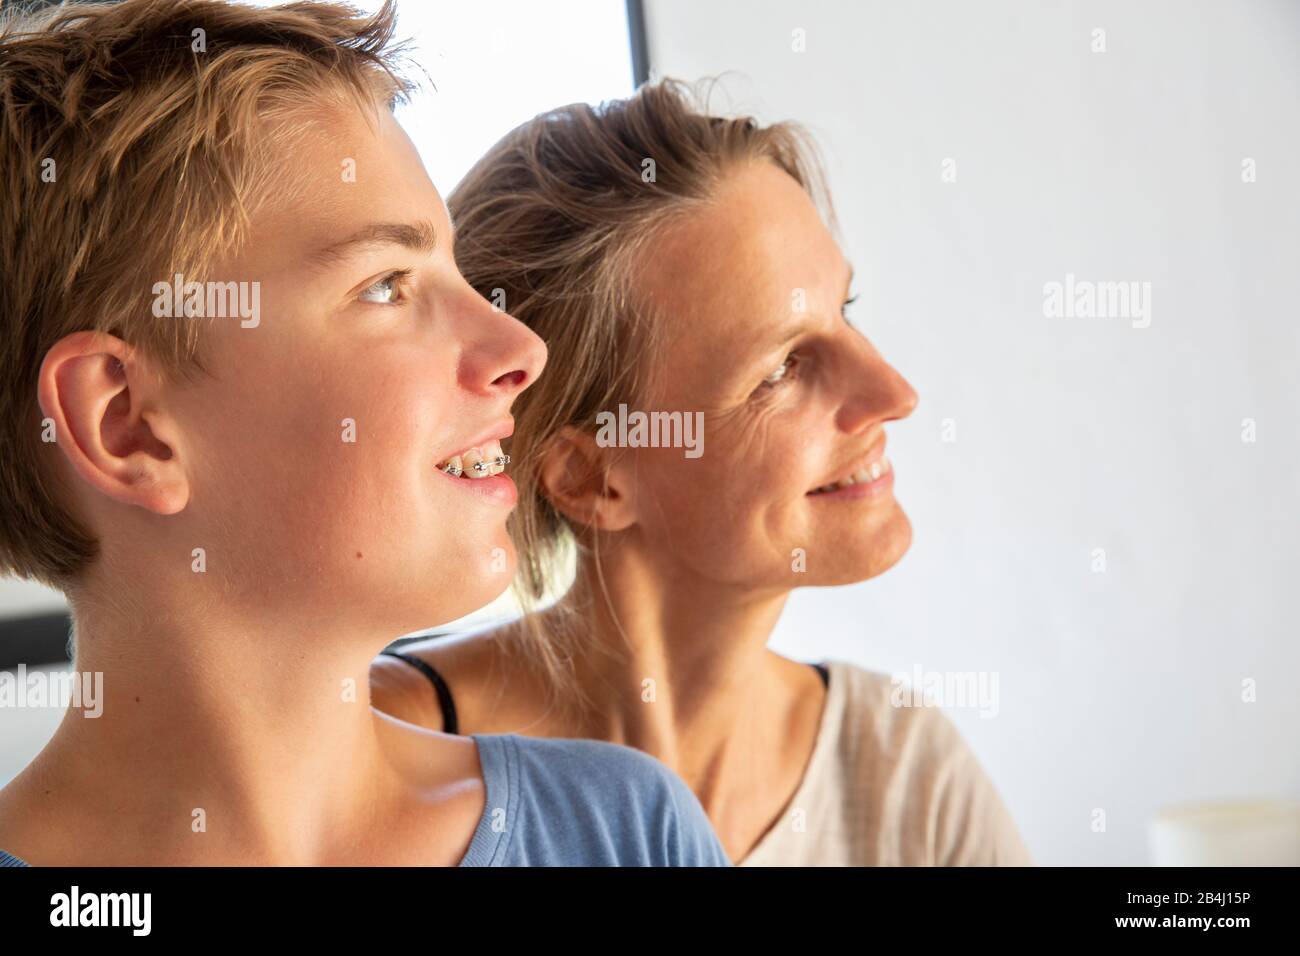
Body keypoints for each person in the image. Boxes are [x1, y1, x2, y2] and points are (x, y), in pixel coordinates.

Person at [0, 0, 729, 868]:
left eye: (454, 269)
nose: (520, 348)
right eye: (386, 284)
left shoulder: (622, 832)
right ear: (124, 426)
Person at [371, 79, 1032, 865]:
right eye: (784, 366)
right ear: (588, 477)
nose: (894, 393)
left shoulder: (903, 775)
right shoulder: (385, 752)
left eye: (846, 312)